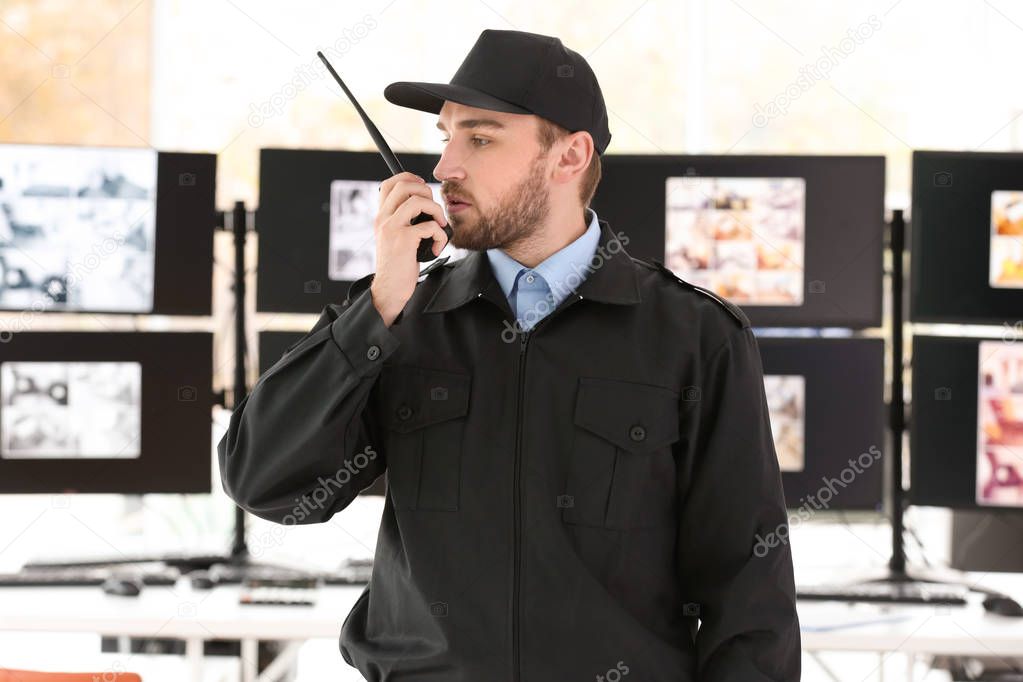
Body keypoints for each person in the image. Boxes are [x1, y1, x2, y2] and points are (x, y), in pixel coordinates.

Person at [218, 28, 800, 681]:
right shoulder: (400, 318)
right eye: (446, 137)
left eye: (481, 137)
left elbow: (749, 605)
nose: (444, 168)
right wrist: (376, 306)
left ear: (569, 156)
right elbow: (265, 486)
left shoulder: (695, 337)